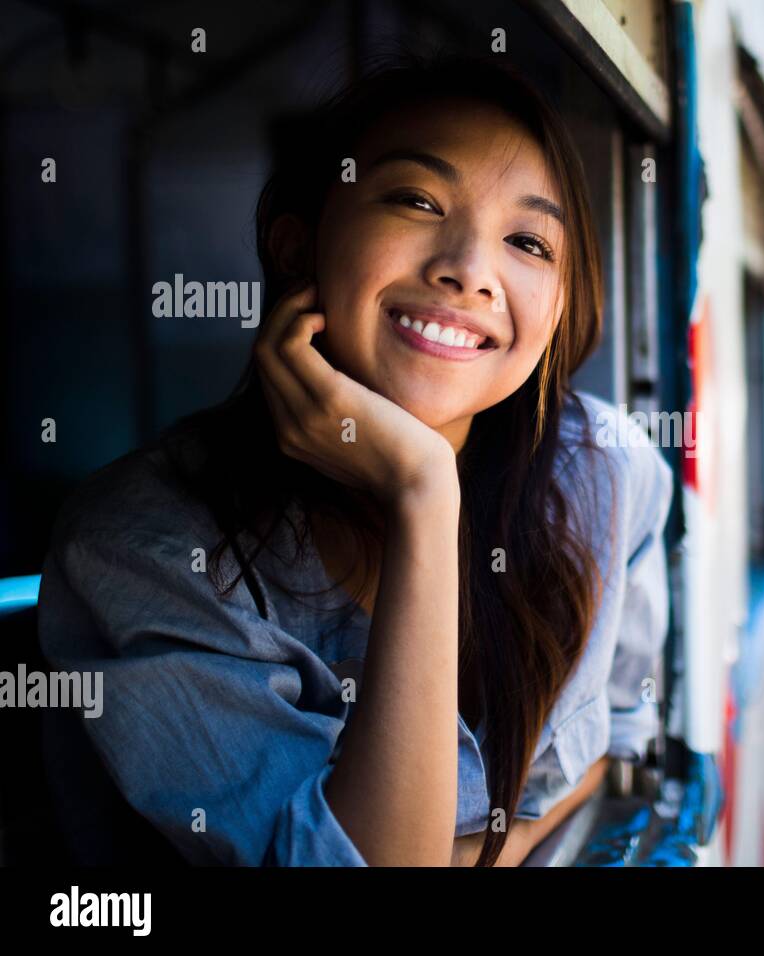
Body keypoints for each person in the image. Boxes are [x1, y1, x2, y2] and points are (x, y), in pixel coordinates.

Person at [36, 53, 674, 867]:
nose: (469, 272)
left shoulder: (603, 471)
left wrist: (475, 857)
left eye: (527, 240)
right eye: (415, 199)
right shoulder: (143, 546)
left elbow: (614, 748)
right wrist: (422, 492)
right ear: (299, 245)